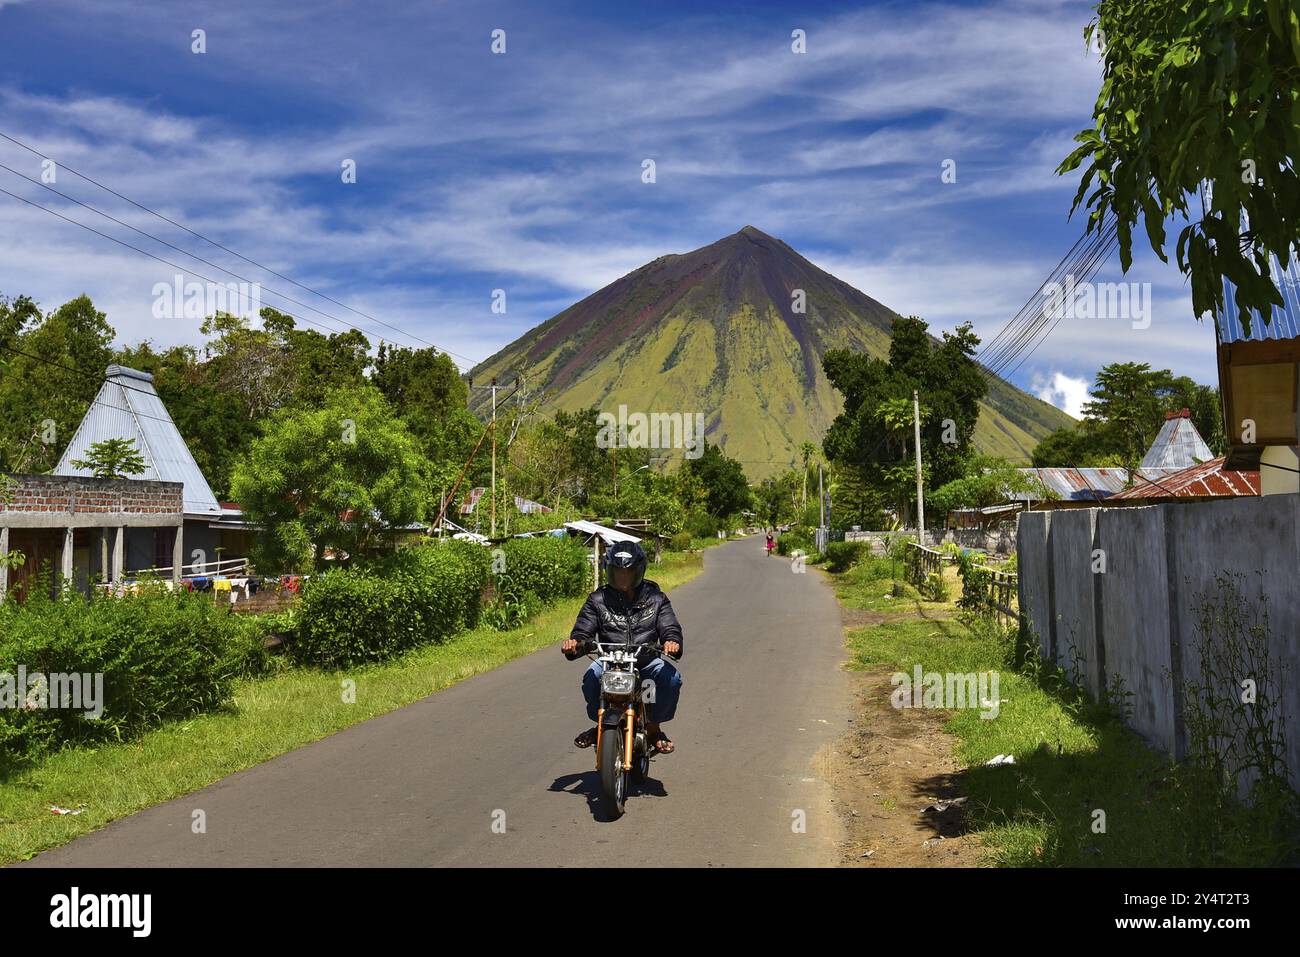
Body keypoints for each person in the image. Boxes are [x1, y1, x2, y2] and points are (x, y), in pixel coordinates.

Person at [562, 539, 683, 754]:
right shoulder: (598, 599)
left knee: (670, 679)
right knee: (591, 677)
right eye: (617, 572)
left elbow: (669, 626)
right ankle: (600, 725)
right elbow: (583, 630)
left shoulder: (656, 598)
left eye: (627, 573)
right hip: (610, 660)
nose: (622, 578)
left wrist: (671, 642)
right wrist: (575, 644)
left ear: (639, 571)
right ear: (610, 571)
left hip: (645, 660)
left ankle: (654, 728)